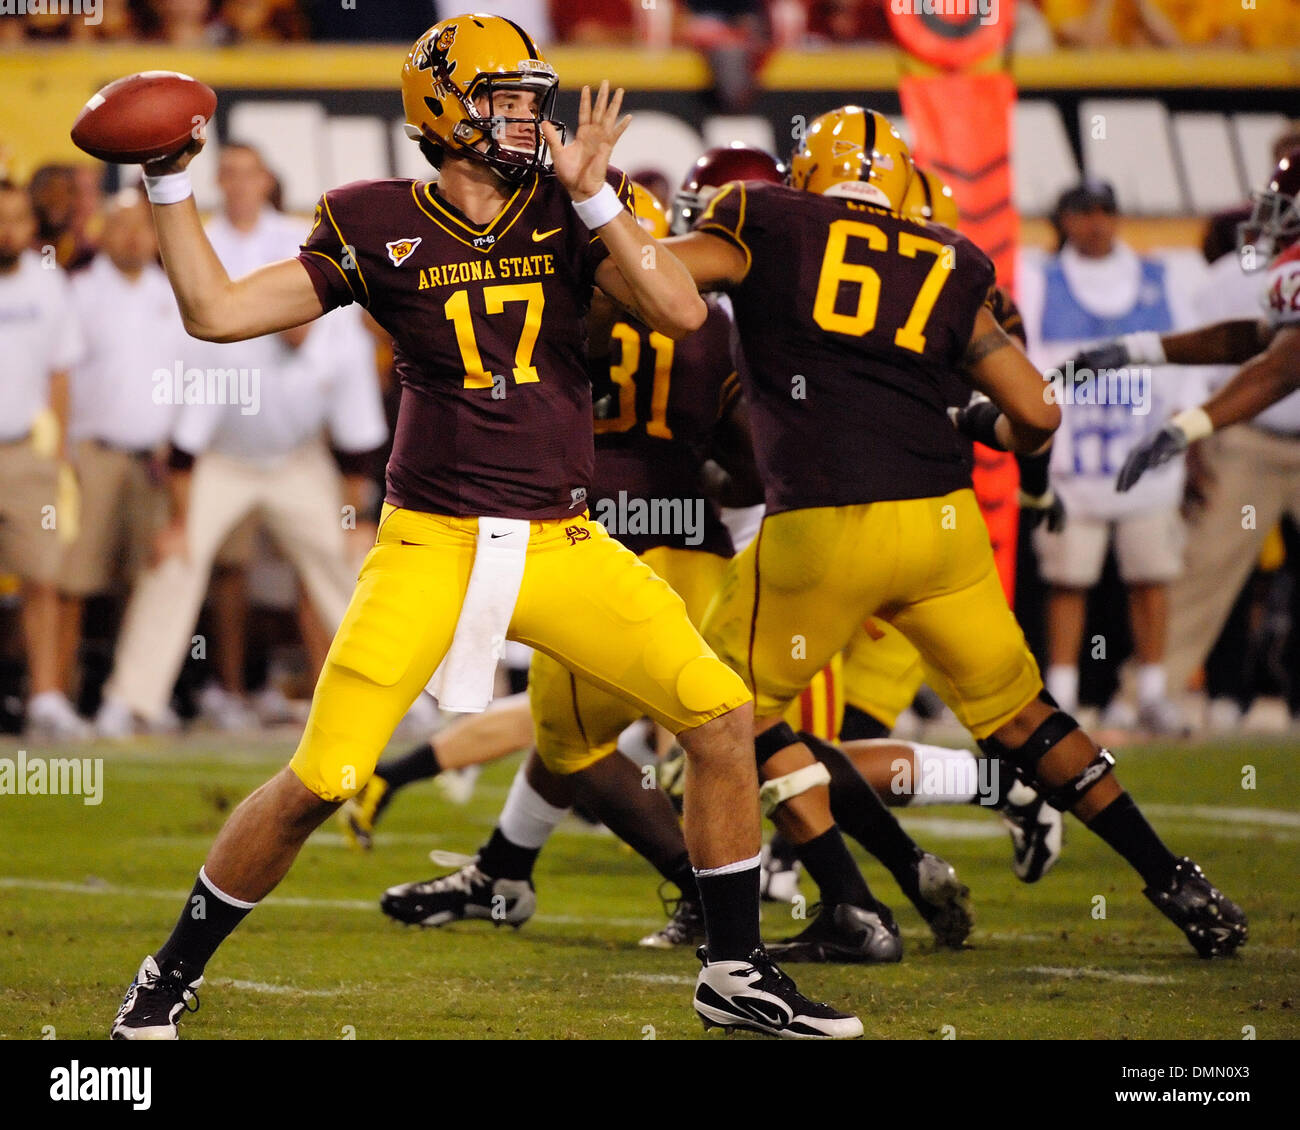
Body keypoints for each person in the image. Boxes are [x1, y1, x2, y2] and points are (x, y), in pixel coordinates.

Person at [109, 14, 860, 1041]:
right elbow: (217, 311)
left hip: (561, 536)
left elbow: (683, 310)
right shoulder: (373, 219)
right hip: (431, 541)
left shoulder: (571, 204)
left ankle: (733, 968)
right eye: (502, 97)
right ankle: (167, 970)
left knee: (719, 717)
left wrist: (600, 200)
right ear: (438, 109)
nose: (527, 114)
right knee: (321, 779)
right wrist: (165, 184)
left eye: (527, 94)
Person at [664, 105, 1246, 963]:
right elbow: (1037, 412)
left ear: (805, 176)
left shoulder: (770, 218)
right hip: (943, 526)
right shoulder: (949, 258)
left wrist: (590, 227)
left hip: (825, 523)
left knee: (715, 704)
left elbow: (656, 279)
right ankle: (1174, 879)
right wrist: (971, 414)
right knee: (1025, 717)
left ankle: (849, 904)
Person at [1077, 149, 1300, 722]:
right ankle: (1147, 696)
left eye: (1286, 207)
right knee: (1201, 571)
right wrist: (1140, 349)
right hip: (1257, 439)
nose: (1270, 223)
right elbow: (1253, 340)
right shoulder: (1277, 271)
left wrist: (1183, 429)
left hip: (1258, 421)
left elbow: (1278, 369)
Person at [1017, 179, 1205, 732]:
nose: (1096, 223)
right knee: (1068, 579)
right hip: (1075, 468)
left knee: (1152, 575)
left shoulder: (1160, 277)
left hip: (1147, 459)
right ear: (1065, 220)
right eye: (1084, 213)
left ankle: (1152, 691)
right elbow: (1021, 359)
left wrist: (1189, 421)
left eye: (1105, 211)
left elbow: (1197, 356)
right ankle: (1065, 693)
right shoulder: (1038, 280)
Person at [57, 190, 187, 706]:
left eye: (143, 227)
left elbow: (186, 376)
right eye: (122, 226)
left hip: (154, 460)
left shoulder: (172, 292)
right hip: (91, 454)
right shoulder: (79, 291)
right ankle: (57, 694)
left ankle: (129, 696)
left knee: (146, 583)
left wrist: (175, 451)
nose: (134, 237)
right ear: (101, 233)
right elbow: (59, 376)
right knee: (74, 581)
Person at [0, 179, 87, 740]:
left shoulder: (50, 284)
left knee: (42, 579)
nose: (7, 230)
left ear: (33, 227)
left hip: (25, 453)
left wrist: (57, 453)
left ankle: (47, 697)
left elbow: (61, 371)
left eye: (16, 219)